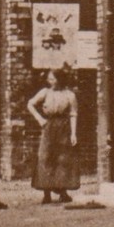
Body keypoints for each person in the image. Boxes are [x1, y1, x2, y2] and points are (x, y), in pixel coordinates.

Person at [27, 67, 81, 204]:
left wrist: (73, 134)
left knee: (63, 158)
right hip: (49, 126)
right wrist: (40, 119)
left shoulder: (70, 95)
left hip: (64, 127)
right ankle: (47, 194)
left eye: (53, 78)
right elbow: (30, 104)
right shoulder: (45, 92)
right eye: (49, 78)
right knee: (46, 157)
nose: (50, 81)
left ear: (60, 79)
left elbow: (73, 114)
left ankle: (63, 193)